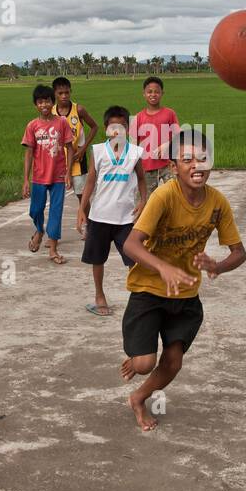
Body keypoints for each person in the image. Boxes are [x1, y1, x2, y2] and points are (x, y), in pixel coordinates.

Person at [119, 126, 246, 431]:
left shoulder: (217, 203)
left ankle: (138, 398)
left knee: (173, 362)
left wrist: (217, 265)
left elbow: (240, 253)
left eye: (202, 158)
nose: (196, 165)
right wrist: (162, 268)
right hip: (149, 291)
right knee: (144, 363)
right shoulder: (164, 196)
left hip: (186, 296)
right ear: (173, 167)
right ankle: (137, 359)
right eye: (187, 159)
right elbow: (131, 244)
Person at [76, 106, 148, 317]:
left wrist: (144, 201)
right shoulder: (97, 151)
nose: (118, 131)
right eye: (113, 127)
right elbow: (90, 181)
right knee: (97, 259)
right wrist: (82, 209)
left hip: (126, 218)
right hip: (99, 216)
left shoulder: (135, 152)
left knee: (134, 261)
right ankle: (100, 296)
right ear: (106, 129)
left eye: (123, 126)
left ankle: (138, 298)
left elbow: (142, 179)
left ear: (128, 128)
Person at [21, 83, 75, 264]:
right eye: (40, 102)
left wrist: (68, 172)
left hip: (58, 176)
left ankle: (53, 249)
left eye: (47, 101)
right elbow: (28, 153)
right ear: (35, 104)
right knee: (35, 209)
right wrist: (26, 180)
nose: (44, 105)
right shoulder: (32, 126)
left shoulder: (61, 123)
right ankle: (39, 230)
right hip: (38, 176)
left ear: (53, 102)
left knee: (56, 212)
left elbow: (69, 147)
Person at [52, 76, 98, 213]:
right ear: (54, 93)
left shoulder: (79, 110)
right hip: (59, 161)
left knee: (81, 196)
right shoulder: (51, 112)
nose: (64, 96)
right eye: (60, 93)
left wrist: (83, 149)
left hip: (78, 160)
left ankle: (89, 227)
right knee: (57, 197)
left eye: (67, 92)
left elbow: (94, 127)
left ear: (70, 91)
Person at [133, 76, 179, 194]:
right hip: (146, 167)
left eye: (157, 92)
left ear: (162, 93)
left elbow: (179, 136)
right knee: (145, 201)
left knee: (176, 195)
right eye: (149, 92)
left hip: (168, 165)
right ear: (144, 94)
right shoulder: (138, 117)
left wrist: (168, 145)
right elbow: (133, 145)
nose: (153, 95)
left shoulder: (169, 114)